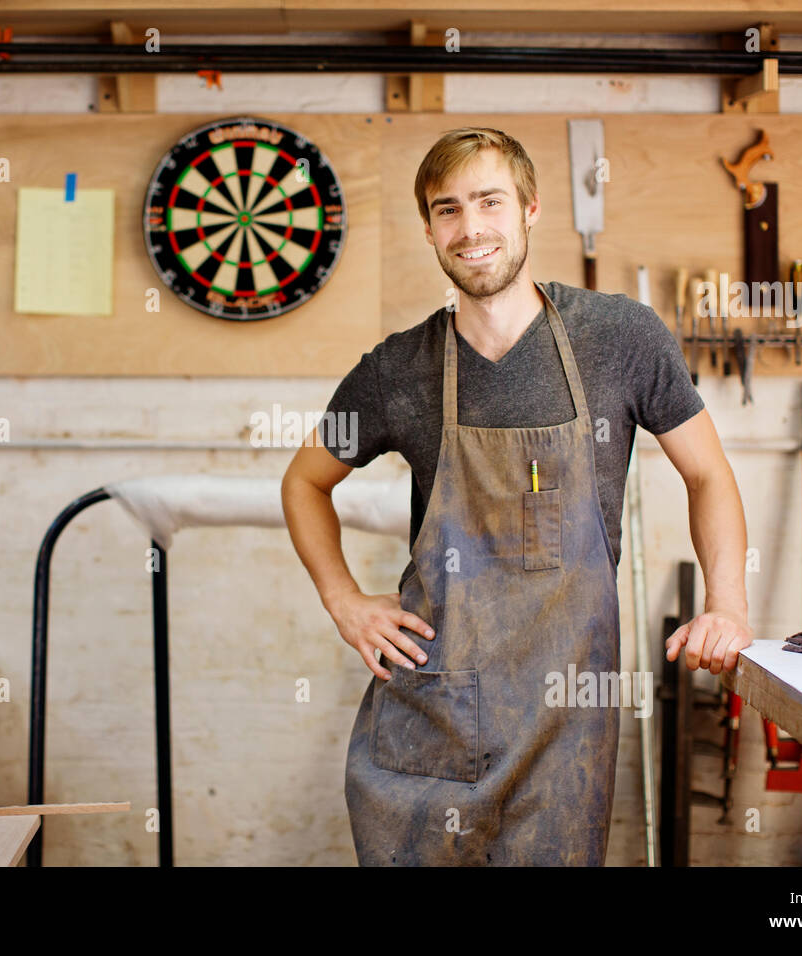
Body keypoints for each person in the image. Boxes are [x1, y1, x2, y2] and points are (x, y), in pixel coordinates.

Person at [280, 126, 752, 866]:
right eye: (447, 210)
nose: (470, 229)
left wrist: (727, 604)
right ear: (430, 228)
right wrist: (345, 601)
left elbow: (708, 474)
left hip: (566, 731)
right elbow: (304, 481)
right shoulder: (395, 370)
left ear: (529, 209)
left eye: (489, 202)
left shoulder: (620, 337)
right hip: (430, 724)